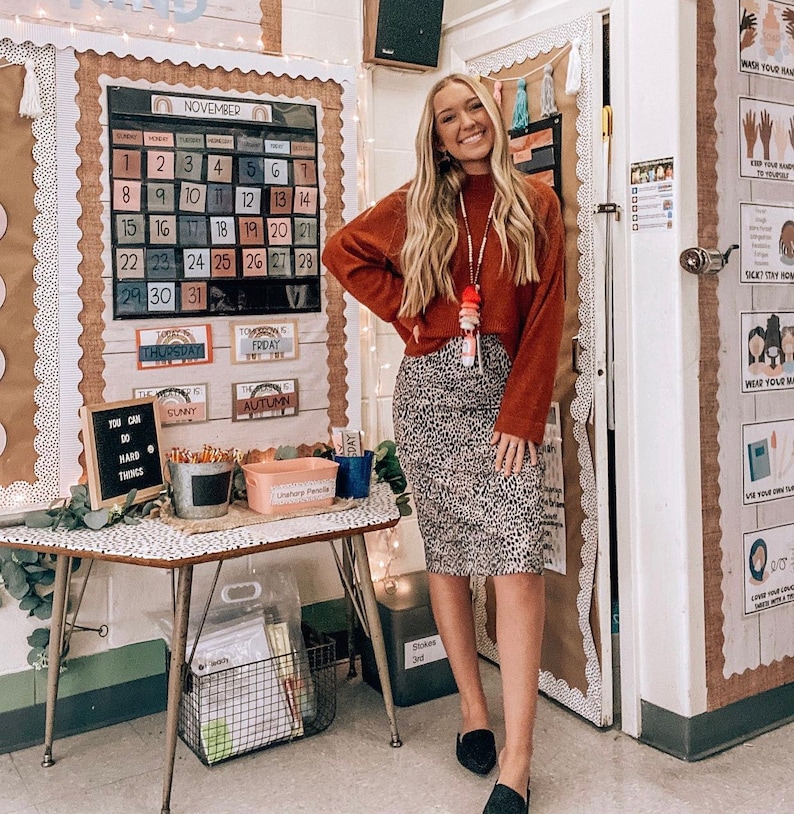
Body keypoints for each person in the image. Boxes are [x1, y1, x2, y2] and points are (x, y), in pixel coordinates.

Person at [323, 73, 565, 814]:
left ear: (492, 115)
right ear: (434, 136)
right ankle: (473, 711)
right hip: (430, 396)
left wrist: (522, 415)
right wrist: (415, 319)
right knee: (451, 555)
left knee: (517, 566)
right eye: (447, 118)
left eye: (472, 110)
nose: (465, 124)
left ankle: (517, 765)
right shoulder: (418, 203)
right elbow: (343, 252)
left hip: (504, 397)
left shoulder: (537, 203)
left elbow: (548, 310)